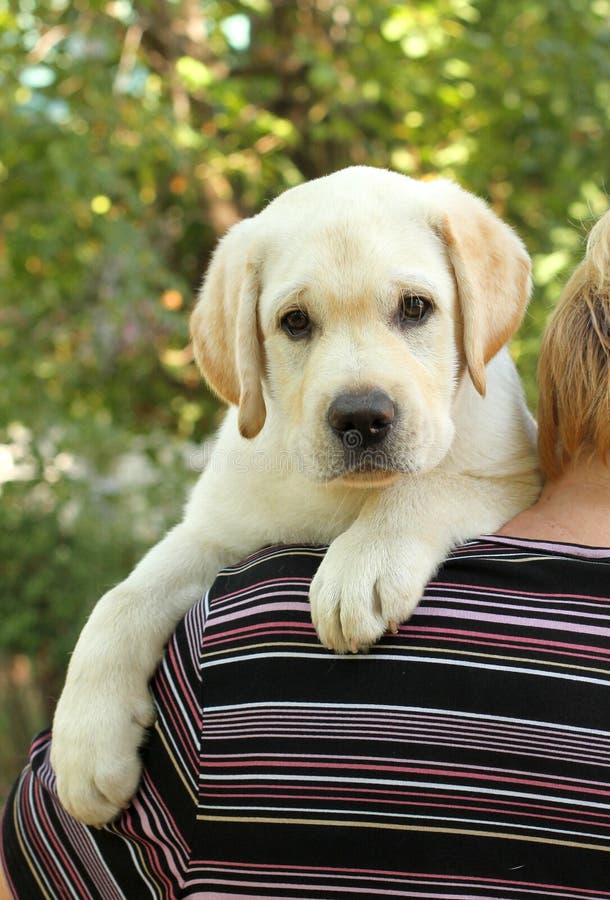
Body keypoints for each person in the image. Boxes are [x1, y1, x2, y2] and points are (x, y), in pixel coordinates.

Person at [1, 210, 609, 899]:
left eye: (413, 309)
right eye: (298, 323)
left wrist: (409, 519)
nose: (359, 396)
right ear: (245, 347)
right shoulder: (252, 457)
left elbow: (509, 485)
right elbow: (203, 543)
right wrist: (112, 643)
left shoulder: (486, 412)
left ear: (479, 310)